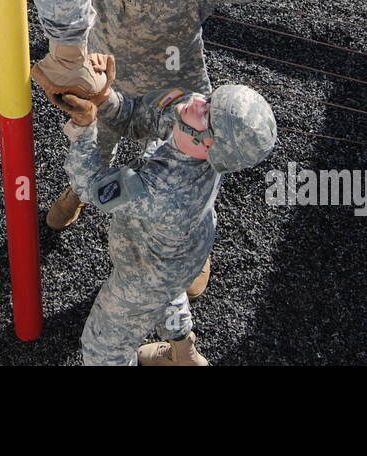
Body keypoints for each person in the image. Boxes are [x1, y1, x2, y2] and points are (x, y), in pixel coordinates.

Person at [46, 0, 274, 275]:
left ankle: (192, 246)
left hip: (173, 88)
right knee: (94, 137)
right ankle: (77, 192)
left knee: (185, 169)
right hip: (105, 68)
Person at [56, 55, 277, 365]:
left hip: (146, 273)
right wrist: (104, 96)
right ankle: (183, 353)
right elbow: (136, 116)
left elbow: (92, 185)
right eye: (210, 99)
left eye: (208, 112)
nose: (198, 100)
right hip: (183, 251)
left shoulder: (168, 193)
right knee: (171, 293)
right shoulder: (189, 116)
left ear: (210, 145)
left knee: (102, 349)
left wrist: (84, 127)